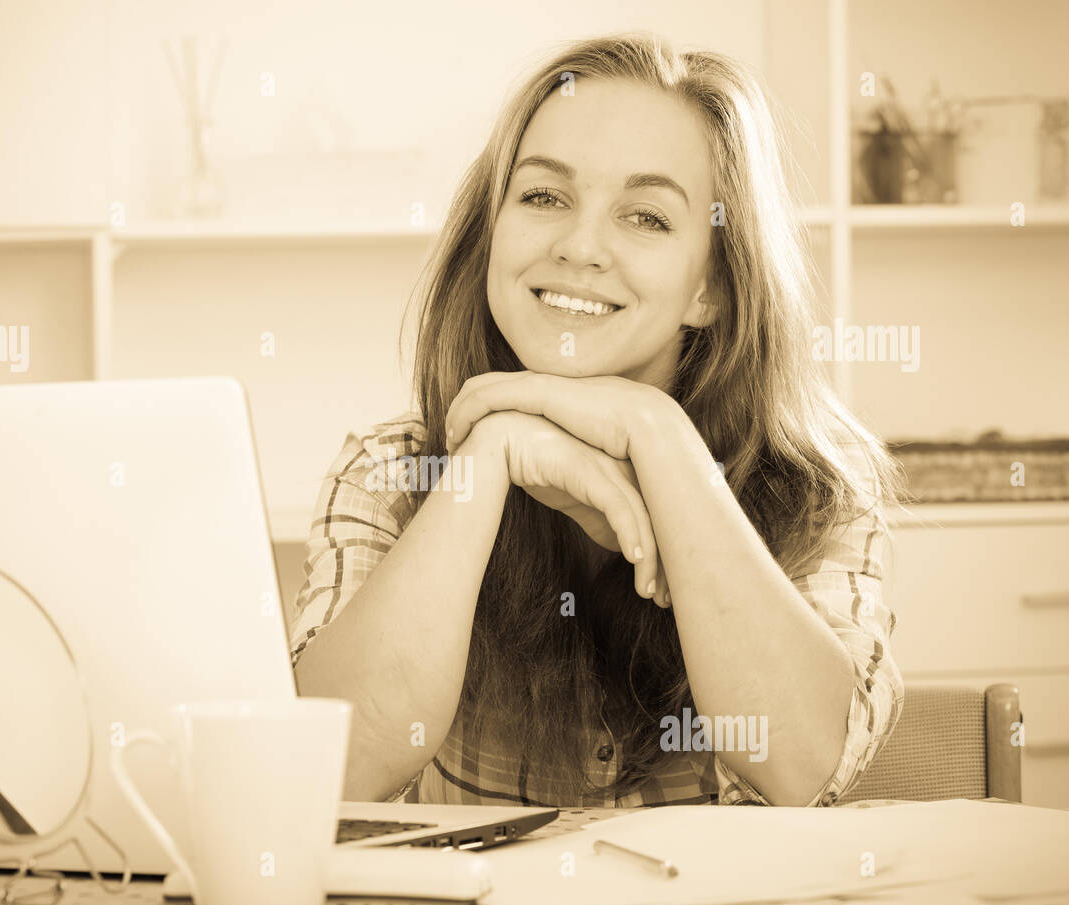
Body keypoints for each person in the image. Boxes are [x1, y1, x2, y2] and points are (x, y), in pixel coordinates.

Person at [290, 33, 905, 810]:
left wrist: (656, 434)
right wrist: (490, 455)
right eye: (544, 197)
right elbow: (326, 775)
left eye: (645, 217)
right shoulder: (391, 470)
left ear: (709, 288)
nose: (580, 247)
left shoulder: (820, 484)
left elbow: (804, 766)